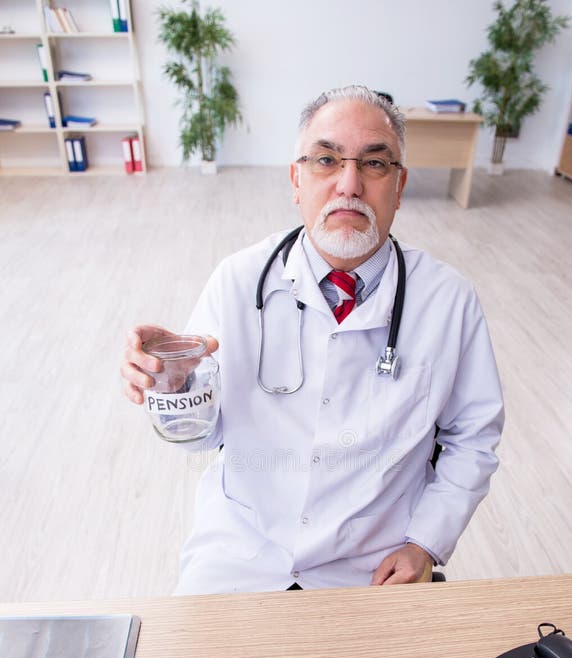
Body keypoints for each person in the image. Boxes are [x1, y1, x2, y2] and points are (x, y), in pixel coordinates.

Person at [121, 85, 504, 595]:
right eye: (326, 159)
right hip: (242, 550)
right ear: (296, 179)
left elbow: (473, 436)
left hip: (375, 566)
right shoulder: (237, 281)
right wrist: (173, 385)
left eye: (374, 164)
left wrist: (425, 545)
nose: (349, 184)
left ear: (400, 184)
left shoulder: (448, 300)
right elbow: (200, 436)